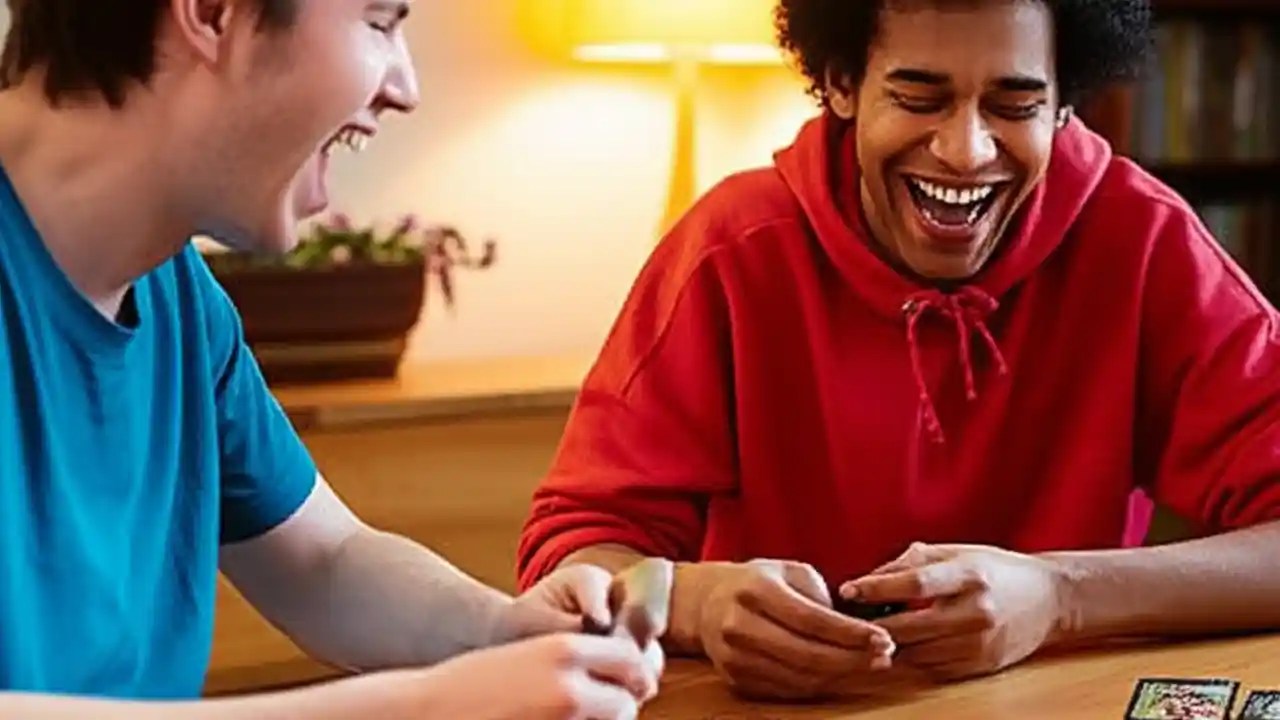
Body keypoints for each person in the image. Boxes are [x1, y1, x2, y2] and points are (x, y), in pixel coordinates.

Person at [516, 0, 1280, 702]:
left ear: (1066, 102)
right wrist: (697, 603)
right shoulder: (732, 251)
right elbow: (566, 567)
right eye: (919, 99)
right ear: (842, 83)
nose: (965, 150)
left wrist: (1062, 597)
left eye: (1016, 106)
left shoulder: (1141, 241)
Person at [0, 0, 668, 717]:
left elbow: (324, 562)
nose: (404, 87)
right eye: (380, 23)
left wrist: (507, 630)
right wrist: (422, 707)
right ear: (213, 13)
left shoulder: (175, 294)